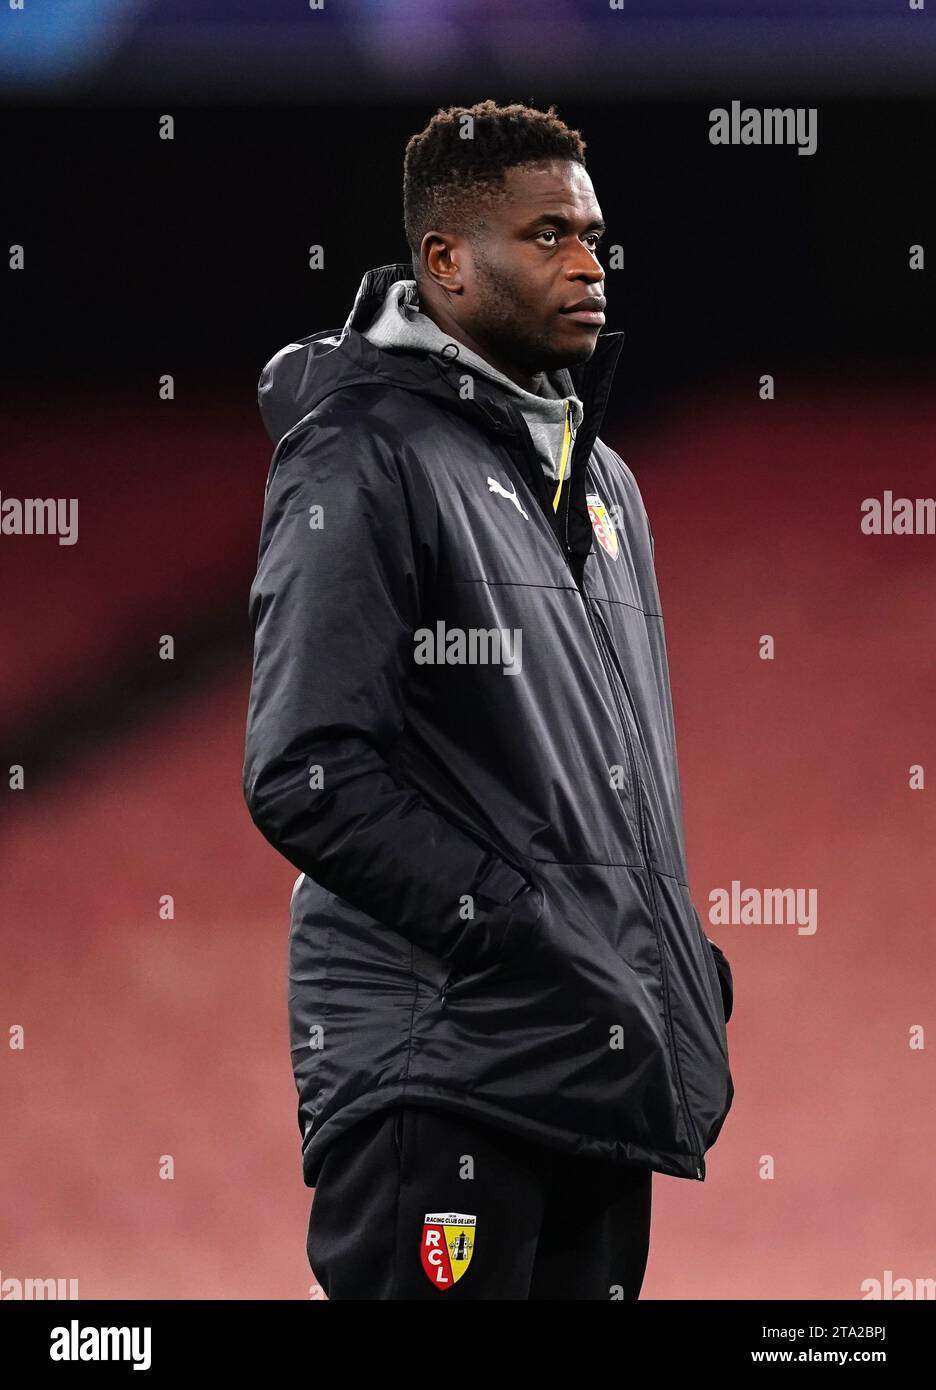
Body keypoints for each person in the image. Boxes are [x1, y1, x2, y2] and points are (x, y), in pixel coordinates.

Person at [242, 98, 734, 1301]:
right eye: (551, 234)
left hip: (594, 1062)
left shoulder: (605, 480)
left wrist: (672, 968)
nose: (590, 264)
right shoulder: (361, 452)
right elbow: (307, 769)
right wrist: (522, 927)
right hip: (447, 1065)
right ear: (447, 263)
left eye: (595, 235)